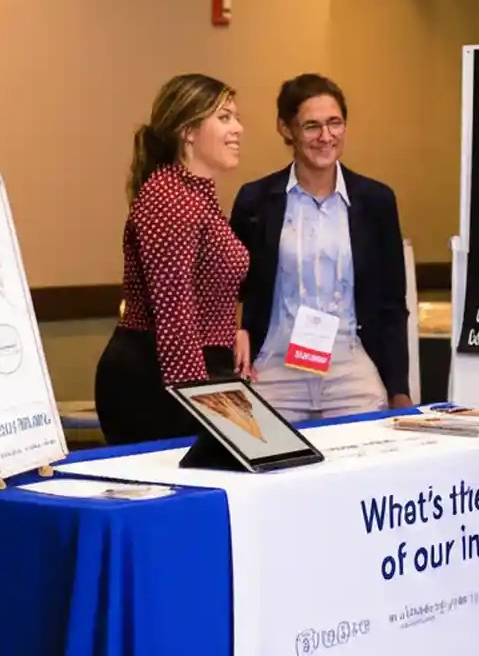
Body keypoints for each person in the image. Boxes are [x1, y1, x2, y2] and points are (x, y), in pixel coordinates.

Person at [229, 74, 410, 422]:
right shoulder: (256, 201)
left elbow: (392, 303)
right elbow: (233, 288)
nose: (325, 137)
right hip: (276, 371)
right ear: (286, 129)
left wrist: (398, 389)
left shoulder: (376, 201)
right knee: (270, 468)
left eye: (335, 123)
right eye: (311, 126)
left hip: (350, 369)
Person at [93, 74, 248, 445]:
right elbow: (174, 312)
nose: (238, 129)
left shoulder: (196, 193)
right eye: (224, 118)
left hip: (196, 370)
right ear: (187, 131)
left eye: (236, 117)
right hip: (158, 377)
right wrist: (206, 404)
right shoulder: (168, 197)